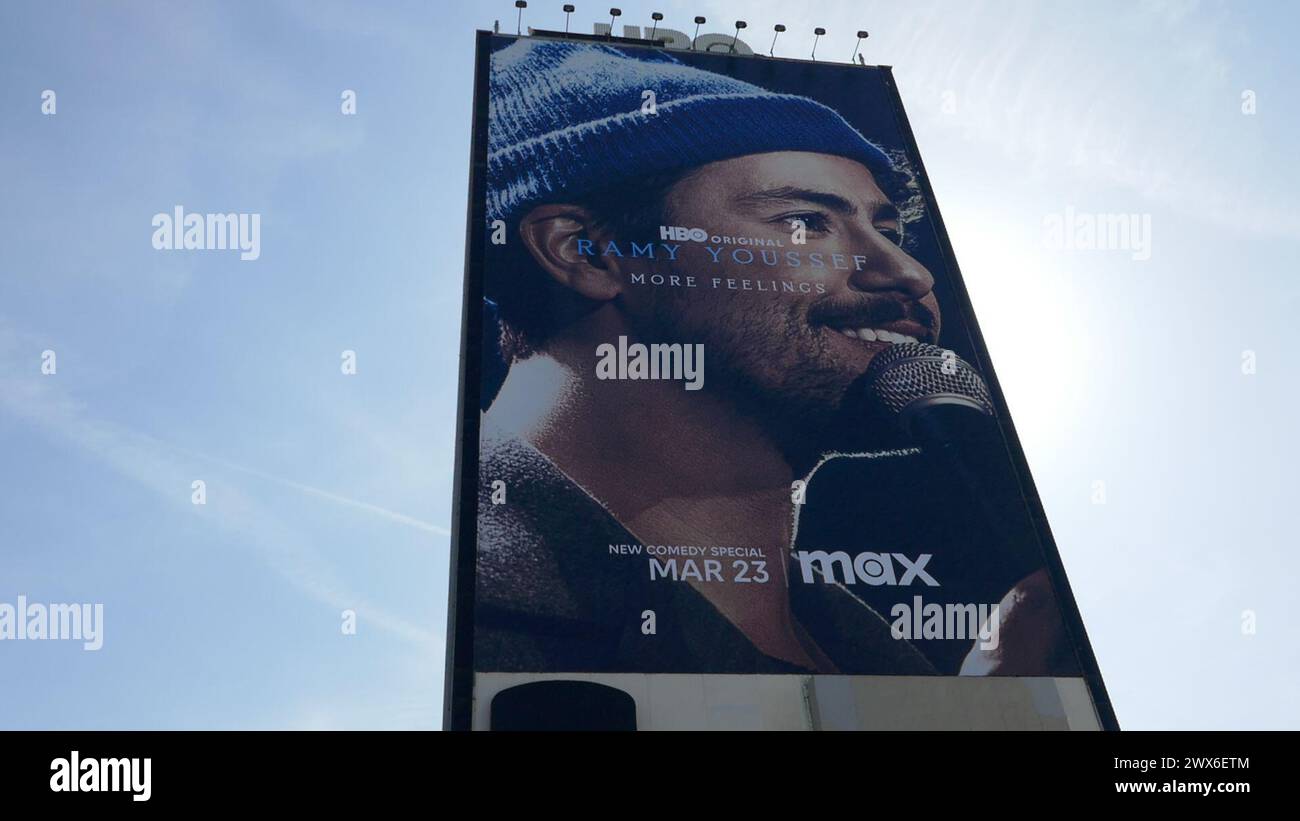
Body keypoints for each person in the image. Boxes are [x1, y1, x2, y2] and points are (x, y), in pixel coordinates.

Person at [475, 38, 1071, 676]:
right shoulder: (475, 602)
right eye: (805, 222)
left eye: (890, 231)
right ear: (587, 252)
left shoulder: (878, 659)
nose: (909, 274)